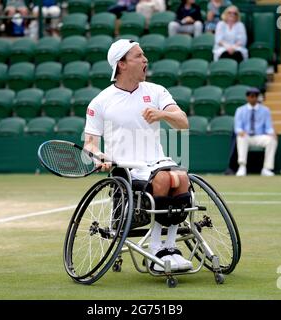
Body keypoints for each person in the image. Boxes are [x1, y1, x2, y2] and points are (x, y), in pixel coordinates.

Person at [83, 39, 193, 272]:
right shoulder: (100, 102)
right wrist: (99, 156)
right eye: (139, 56)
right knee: (165, 179)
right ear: (121, 64)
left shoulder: (156, 91)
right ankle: (156, 250)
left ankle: (170, 248)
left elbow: (183, 122)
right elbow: (90, 145)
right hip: (127, 167)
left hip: (158, 162)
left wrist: (162, 114)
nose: (145, 60)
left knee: (182, 178)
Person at [234, 87, 278, 177]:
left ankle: (266, 168)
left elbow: (268, 127)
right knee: (241, 137)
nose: (253, 98)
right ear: (247, 97)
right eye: (251, 96)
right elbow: (237, 127)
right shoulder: (240, 110)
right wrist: (240, 131)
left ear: (257, 97)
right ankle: (242, 167)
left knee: (272, 140)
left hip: (259, 136)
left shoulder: (265, 110)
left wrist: (272, 133)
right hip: (246, 136)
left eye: (255, 96)